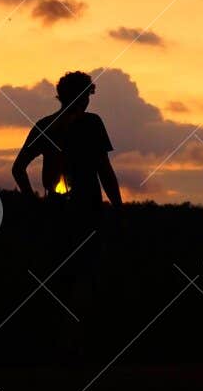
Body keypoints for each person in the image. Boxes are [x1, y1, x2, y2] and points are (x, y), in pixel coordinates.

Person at [12, 71, 122, 359]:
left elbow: (18, 169)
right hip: (81, 212)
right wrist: (120, 208)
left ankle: (70, 345)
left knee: (67, 278)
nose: (86, 101)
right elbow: (104, 170)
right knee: (82, 276)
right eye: (85, 95)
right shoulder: (89, 124)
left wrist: (33, 204)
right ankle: (72, 346)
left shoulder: (46, 125)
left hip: (60, 213)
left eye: (88, 96)